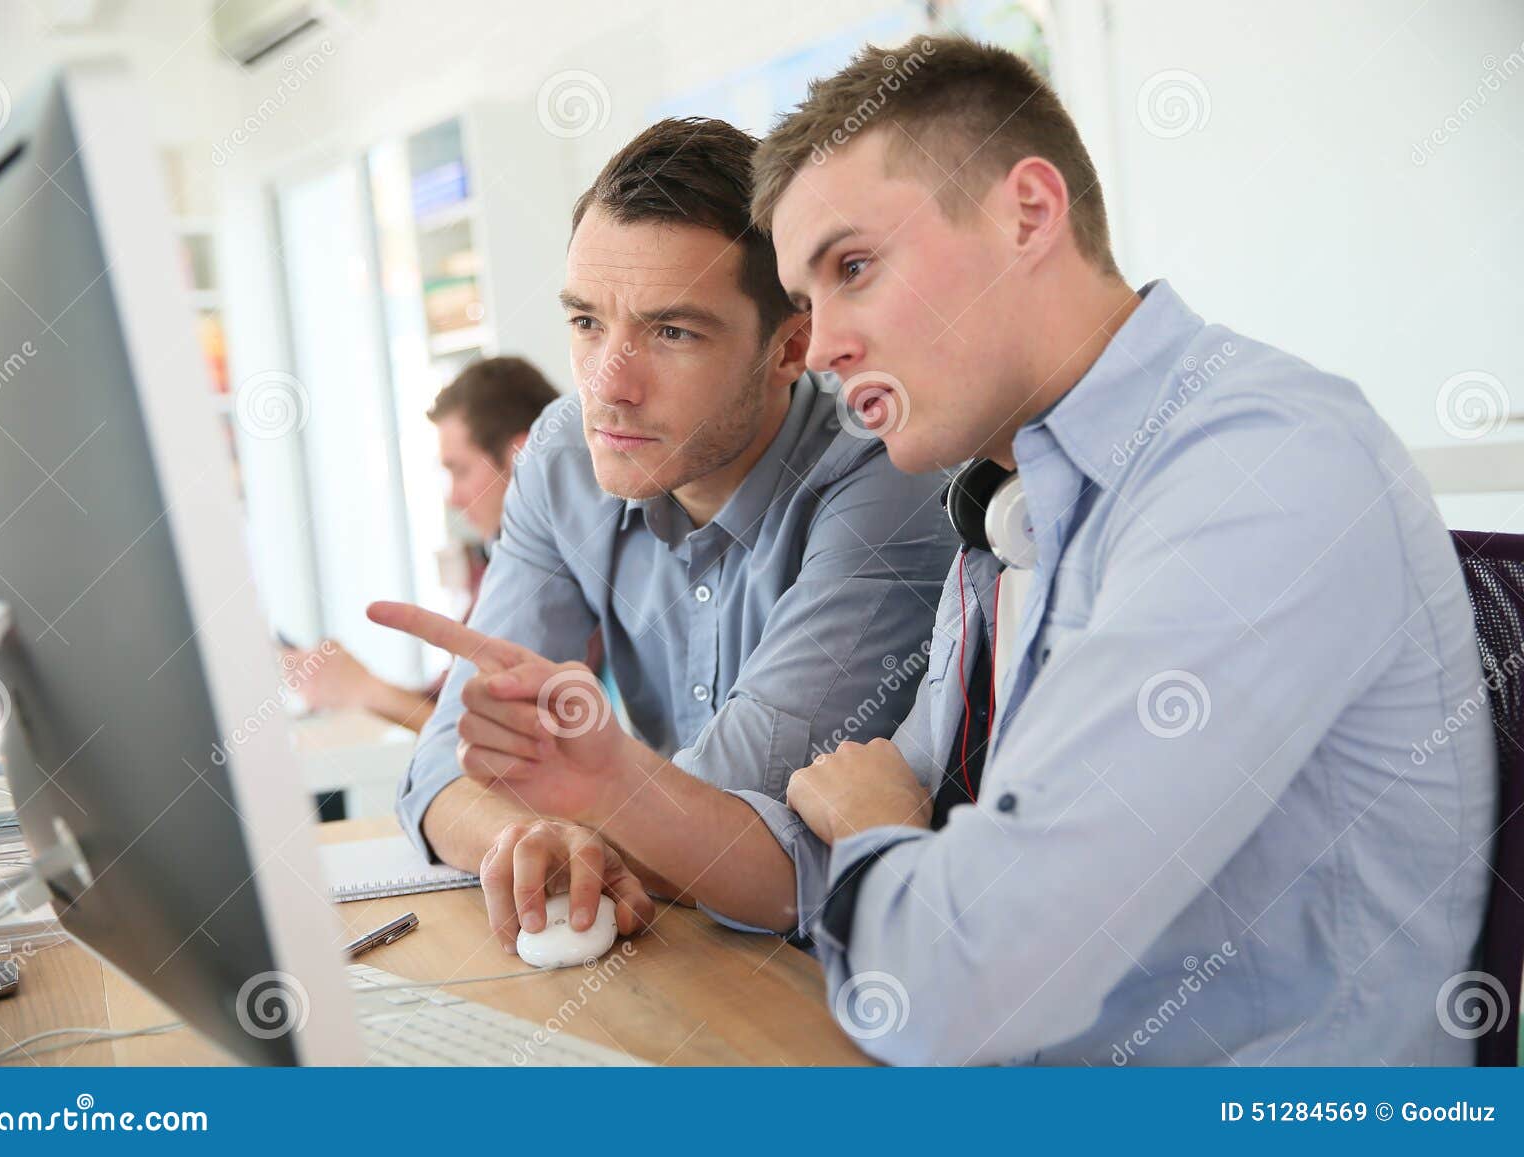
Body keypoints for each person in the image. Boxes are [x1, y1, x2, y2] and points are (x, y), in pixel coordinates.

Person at [423, 37, 1497, 1066]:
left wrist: (883, 830)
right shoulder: (1014, 500)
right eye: (808, 296)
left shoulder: (1259, 469)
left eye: (855, 268)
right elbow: (810, 858)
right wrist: (617, 782)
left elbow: (958, 976)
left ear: (1028, 212)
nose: (827, 348)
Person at [369, 116, 958, 936]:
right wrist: (525, 839)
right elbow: (441, 774)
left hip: (836, 980)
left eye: (672, 331)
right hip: (687, 956)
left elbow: (729, 818)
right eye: (585, 323)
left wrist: (573, 831)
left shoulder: (888, 474)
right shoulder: (564, 454)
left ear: (792, 349)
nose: (609, 385)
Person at [283, 356, 558, 733]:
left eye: (459, 470)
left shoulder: (556, 579)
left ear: (521, 457)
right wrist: (351, 685)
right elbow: (446, 704)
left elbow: (504, 741)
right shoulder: (499, 568)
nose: (454, 498)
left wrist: (366, 690)